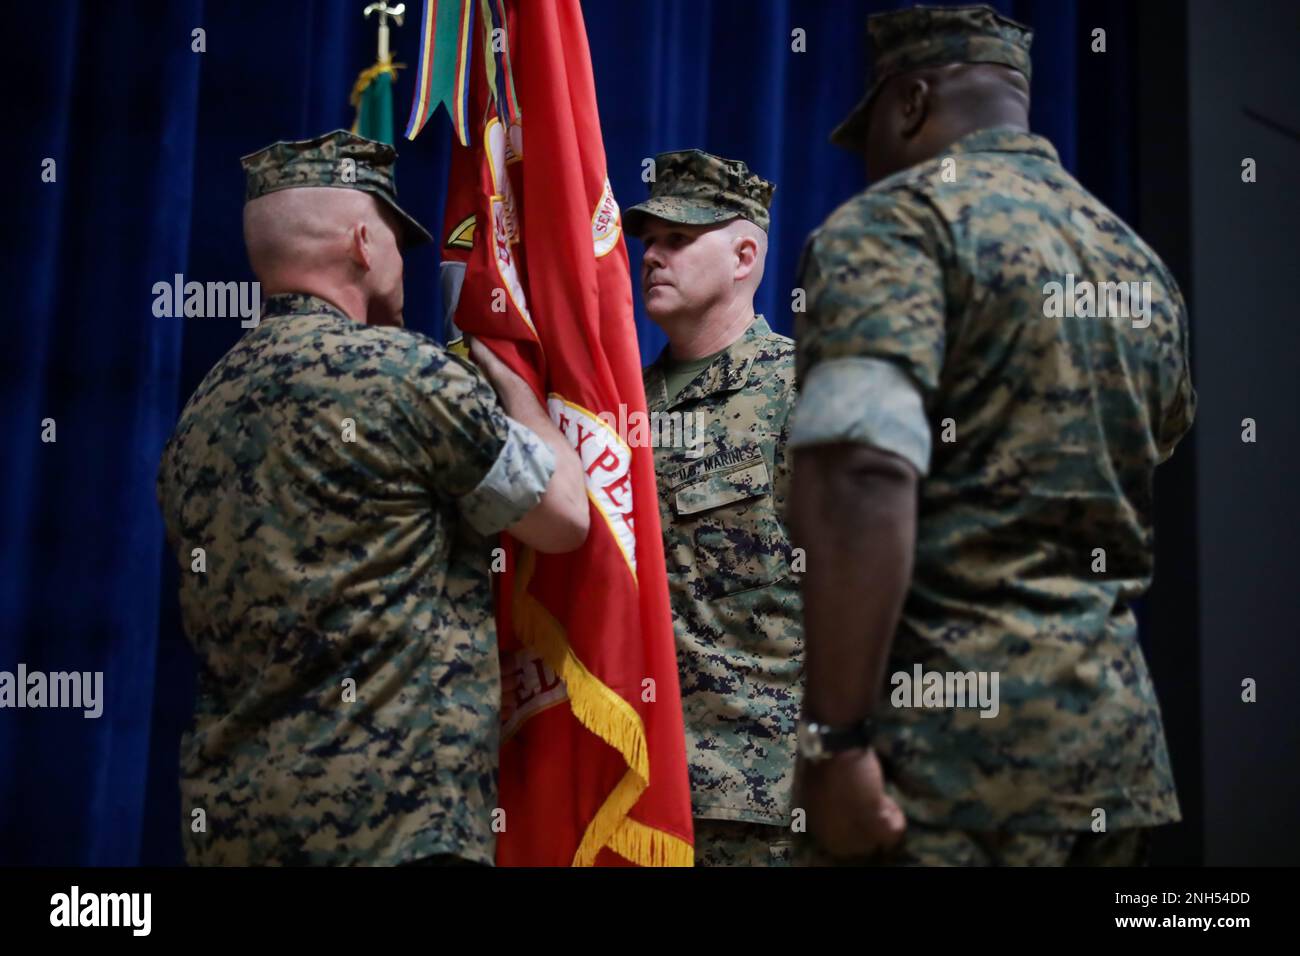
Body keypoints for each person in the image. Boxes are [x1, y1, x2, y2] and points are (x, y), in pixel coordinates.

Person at [788, 5, 1196, 866]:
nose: (869, 162)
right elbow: (1147, 457)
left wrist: (836, 743)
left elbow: (864, 473)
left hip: (941, 773)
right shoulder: (1138, 265)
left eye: (871, 133)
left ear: (909, 103)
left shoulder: (895, 226)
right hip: (1111, 759)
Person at [156, 129, 589, 866]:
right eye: (397, 239)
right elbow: (564, 519)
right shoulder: (403, 376)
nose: (403, 262)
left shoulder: (199, 412)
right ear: (363, 241)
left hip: (233, 832)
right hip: (396, 830)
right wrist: (524, 398)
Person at [625, 149, 803, 866]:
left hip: (756, 795)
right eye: (649, 240)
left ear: (744, 255)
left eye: (678, 237)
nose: (653, 256)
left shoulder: (800, 390)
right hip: (627, 784)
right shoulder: (614, 407)